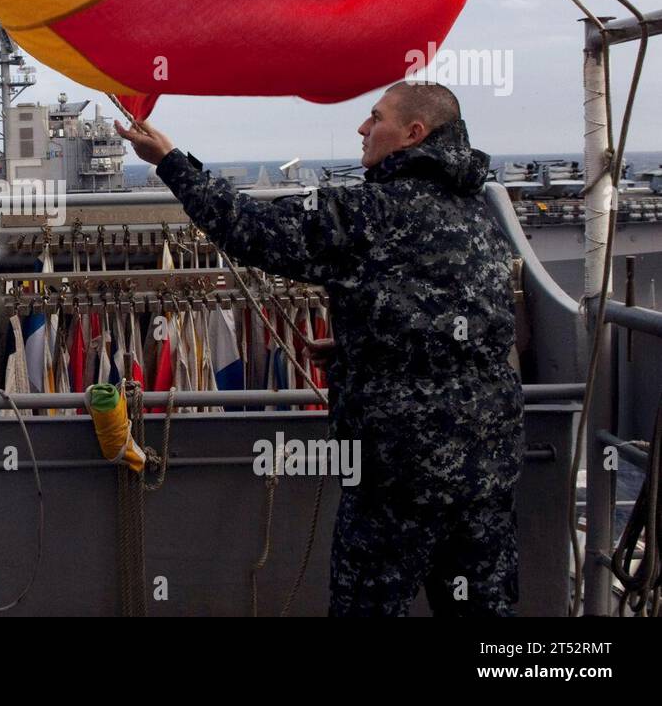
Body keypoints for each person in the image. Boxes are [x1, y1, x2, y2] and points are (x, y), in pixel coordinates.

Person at [117, 82, 524, 616]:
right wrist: (363, 347)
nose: (362, 129)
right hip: (488, 466)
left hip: (398, 475)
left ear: (412, 134)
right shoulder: (479, 213)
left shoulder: (373, 212)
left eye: (375, 118)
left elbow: (251, 229)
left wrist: (169, 161)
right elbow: (464, 327)